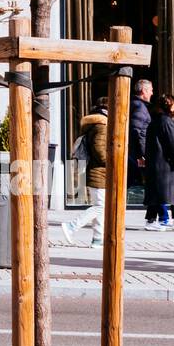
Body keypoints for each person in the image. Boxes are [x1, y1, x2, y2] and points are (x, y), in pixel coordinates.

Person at [61, 97, 108, 249]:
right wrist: (113, 161)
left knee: (99, 206)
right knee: (100, 207)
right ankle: (71, 226)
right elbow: (100, 151)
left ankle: (97, 239)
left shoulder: (94, 125)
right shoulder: (102, 126)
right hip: (99, 172)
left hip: (96, 171)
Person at [144, 93, 174, 231]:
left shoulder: (156, 120)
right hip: (164, 163)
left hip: (158, 162)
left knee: (161, 192)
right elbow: (172, 143)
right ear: (168, 105)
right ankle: (159, 220)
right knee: (166, 192)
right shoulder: (166, 121)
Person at [130, 78, 152, 193]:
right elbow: (136, 131)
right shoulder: (140, 108)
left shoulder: (136, 105)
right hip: (136, 155)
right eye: (150, 90)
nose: (152, 93)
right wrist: (141, 155)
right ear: (144, 90)